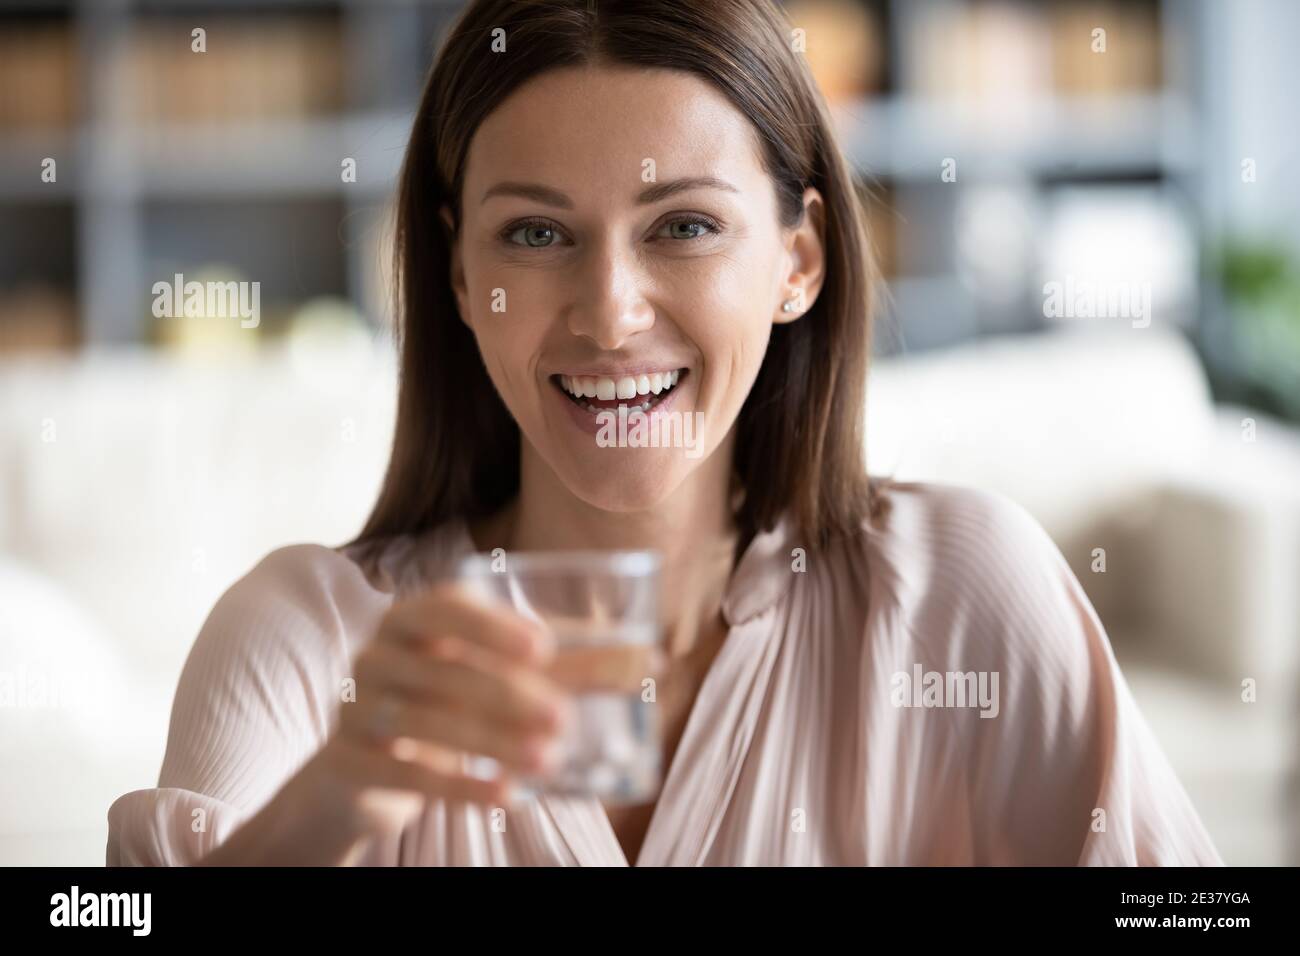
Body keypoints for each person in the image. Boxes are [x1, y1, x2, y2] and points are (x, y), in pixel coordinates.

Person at [107, 0, 1222, 866]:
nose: (608, 312)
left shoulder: (967, 595)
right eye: (536, 233)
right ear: (458, 270)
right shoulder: (301, 640)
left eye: (683, 225)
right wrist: (330, 806)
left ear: (799, 258)